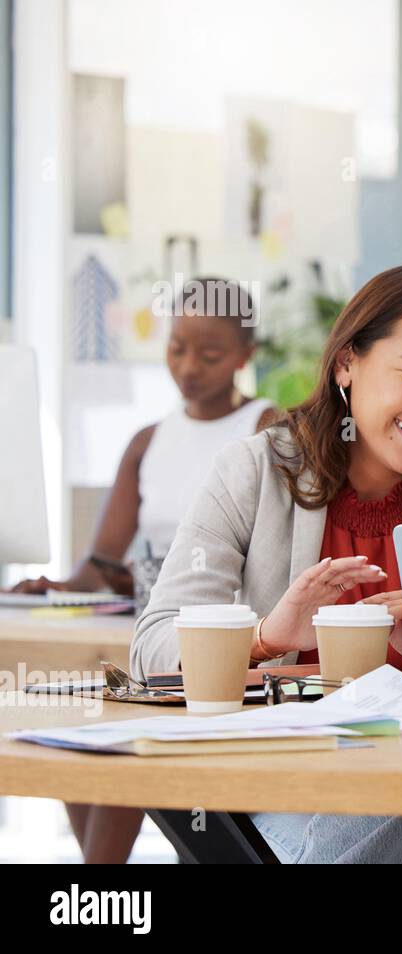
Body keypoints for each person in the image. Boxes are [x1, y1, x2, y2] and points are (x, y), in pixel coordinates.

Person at [131, 265, 402, 863]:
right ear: (347, 363)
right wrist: (268, 636)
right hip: (292, 783)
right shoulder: (252, 471)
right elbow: (152, 648)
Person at [9, 276, 274, 864]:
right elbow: (102, 565)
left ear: (246, 356)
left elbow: (269, 552)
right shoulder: (147, 440)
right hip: (149, 627)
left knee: (123, 731)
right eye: (177, 348)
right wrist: (56, 586)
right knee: (71, 725)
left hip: (220, 640)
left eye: (210, 354)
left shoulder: (265, 429)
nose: (189, 367)